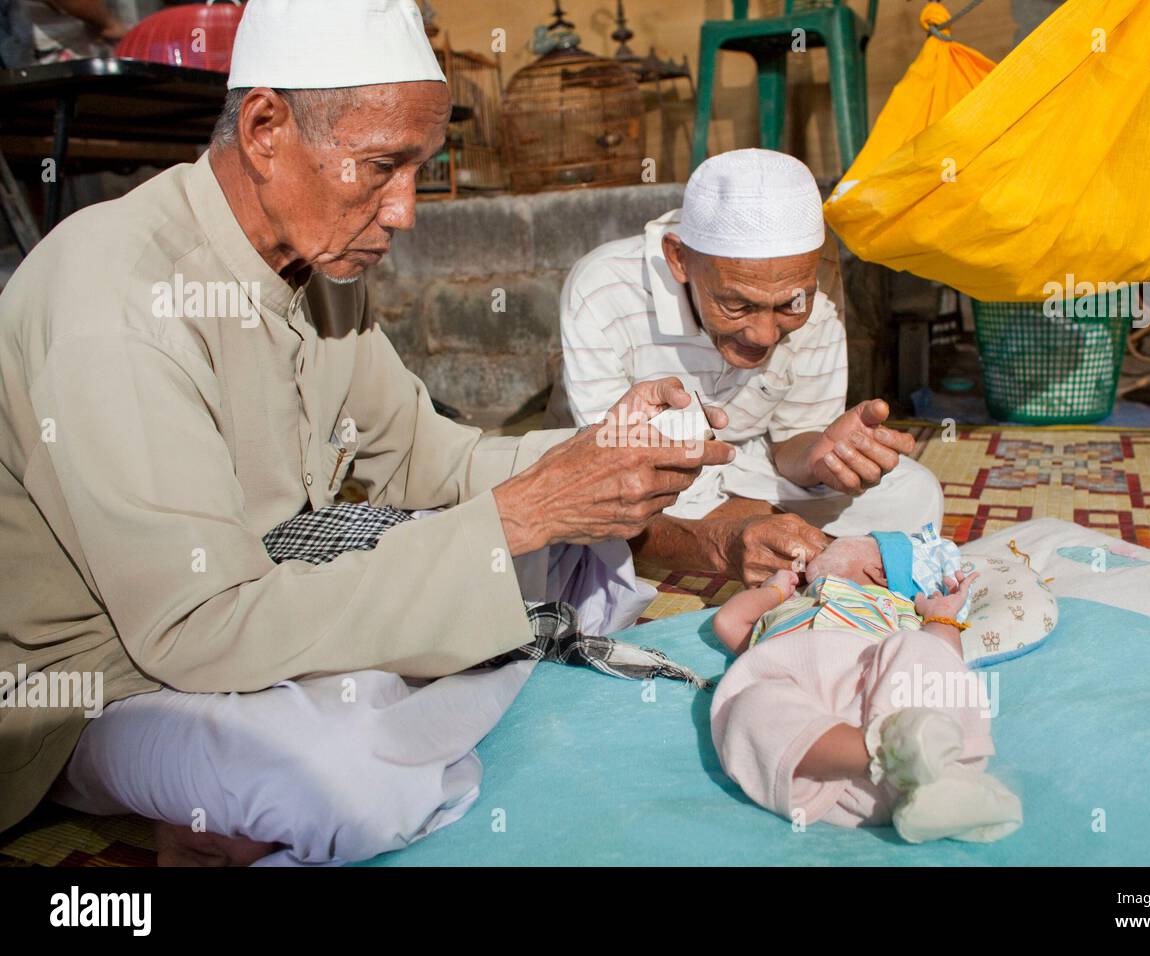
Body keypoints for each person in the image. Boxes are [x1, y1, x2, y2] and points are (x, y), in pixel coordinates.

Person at [0, 0, 732, 865]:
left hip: (276, 597)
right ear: (266, 128)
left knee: (572, 548)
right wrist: (519, 519)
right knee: (337, 775)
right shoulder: (117, 299)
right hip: (109, 679)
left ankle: (394, 716)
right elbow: (196, 628)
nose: (405, 212)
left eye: (420, 168)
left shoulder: (318, 267)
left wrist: (593, 460)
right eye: (381, 167)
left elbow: (430, 459)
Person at [547, 148, 945, 586]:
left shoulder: (817, 272)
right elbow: (609, 470)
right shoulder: (601, 288)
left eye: (791, 305)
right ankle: (776, 545)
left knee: (914, 494)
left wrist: (821, 459)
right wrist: (735, 532)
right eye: (736, 303)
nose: (764, 335)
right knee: (589, 521)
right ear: (679, 258)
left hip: (748, 463)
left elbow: (791, 442)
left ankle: (773, 542)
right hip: (635, 475)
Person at [708, 536, 1023, 843]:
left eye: (831, 545)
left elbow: (942, 656)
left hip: (879, 699)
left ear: (879, 573)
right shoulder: (790, 605)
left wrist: (941, 619)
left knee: (919, 648)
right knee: (751, 702)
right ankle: (905, 763)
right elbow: (728, 621)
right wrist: (774, 592)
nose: (819, 545)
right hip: (826, 762)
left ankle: (935, 771)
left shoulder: (897, 607)